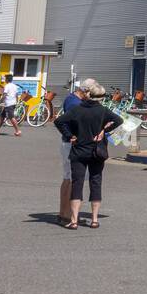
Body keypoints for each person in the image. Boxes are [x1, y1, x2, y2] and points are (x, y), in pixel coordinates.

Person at [53, 82, 122, 230]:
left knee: (77, 183)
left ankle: (74, 220)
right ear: (101, 98)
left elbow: (59, 121)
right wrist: (104, 129)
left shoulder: (77, 109)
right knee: (95, 182)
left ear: (88, 94)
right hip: (97, 151)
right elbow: (119, 120)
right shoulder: (103, 111)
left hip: (79, 150)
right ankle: (95, 219)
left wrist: (70, 135)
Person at [56, 80, 88, 226]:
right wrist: (71, 135)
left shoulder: (70, 98)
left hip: (67, 143)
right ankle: (69, 214)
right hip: (72, 144)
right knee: (72, 178)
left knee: (67, 177)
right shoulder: (75, 104)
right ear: (85, 91)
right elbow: (64, 121)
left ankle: (64, 213)